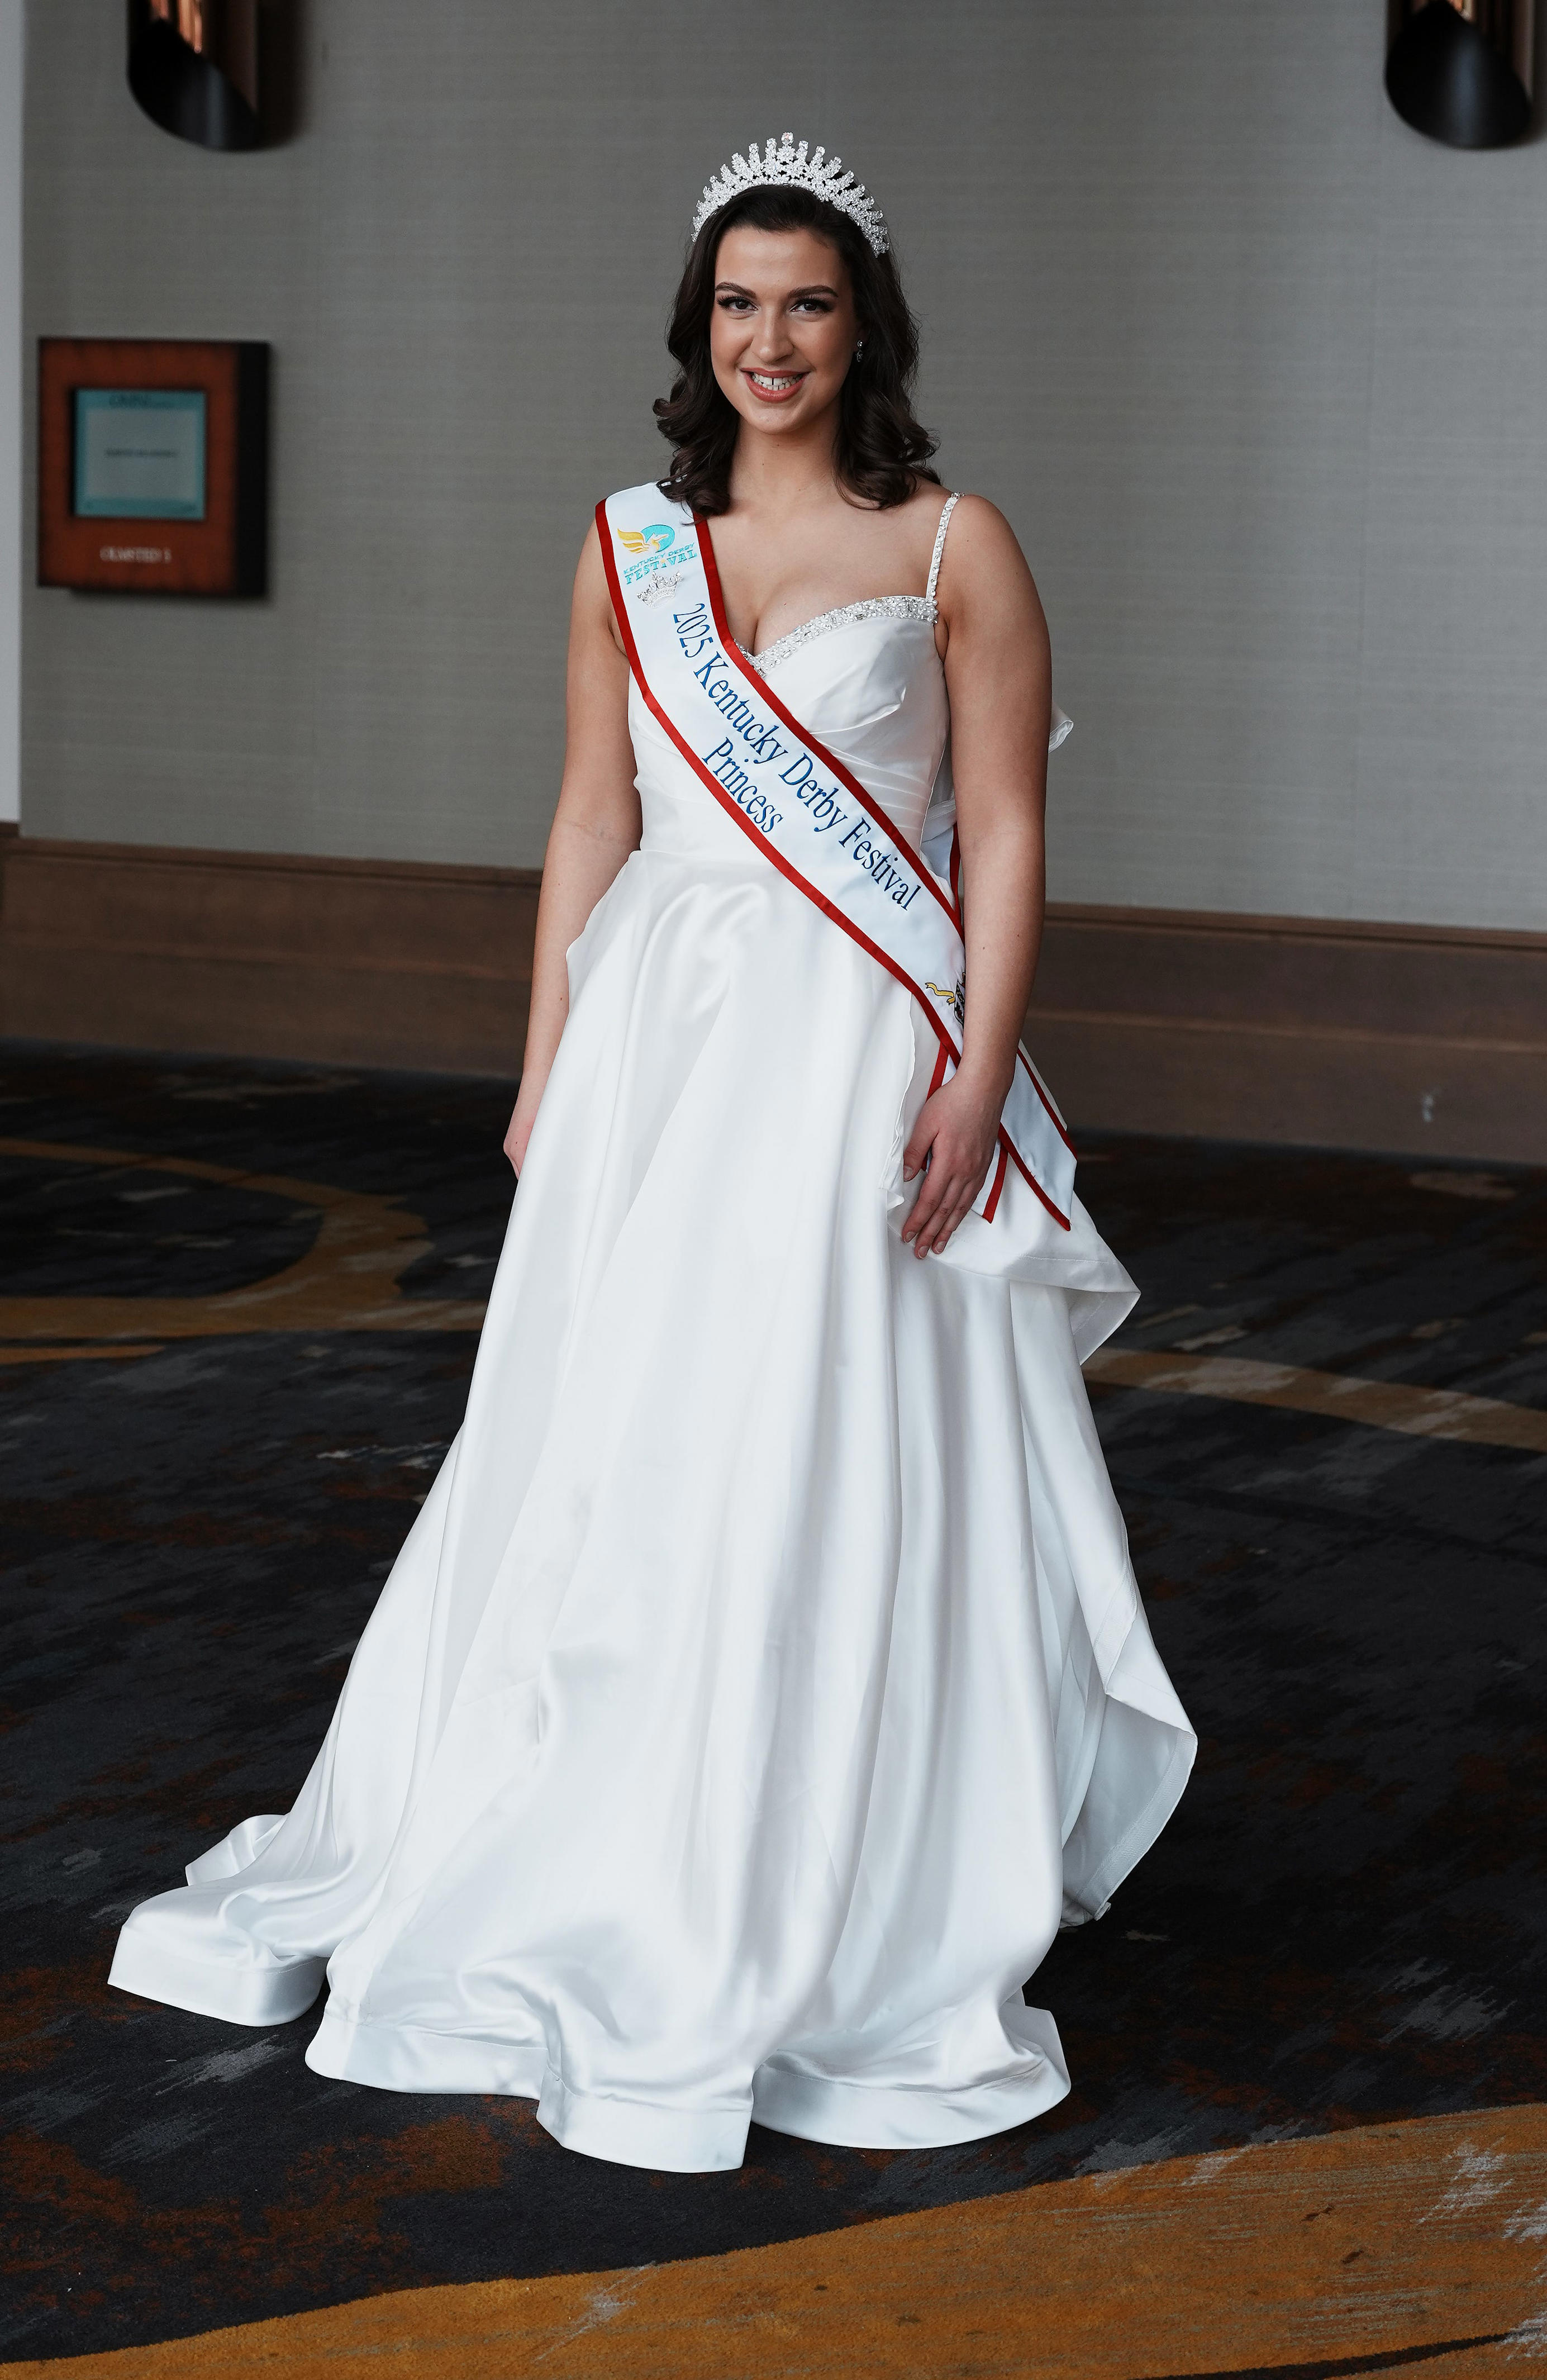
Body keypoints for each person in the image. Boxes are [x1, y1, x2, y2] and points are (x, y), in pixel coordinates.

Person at [111, 136, 1194, 2173]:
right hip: (663, 1046)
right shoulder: (627, 543)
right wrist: (543, 1062)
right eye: (733, 304)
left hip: (857, 1039)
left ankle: (836, 1851)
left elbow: (1007, 834)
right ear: (696, 330)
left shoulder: (956, 542)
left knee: (819, 1422)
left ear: (858, 320)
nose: (766, 339)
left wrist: (978, 1061)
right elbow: (589, 816)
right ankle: (578, 1820)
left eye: (802, 301)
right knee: (624, 1428)